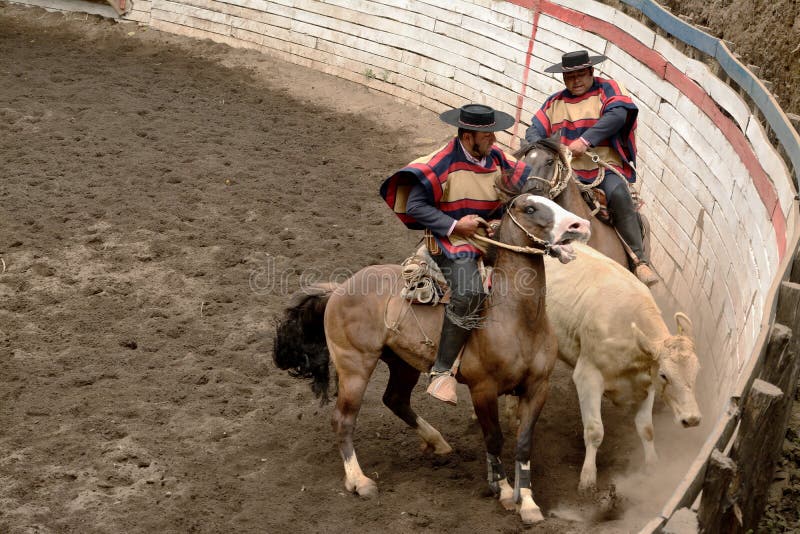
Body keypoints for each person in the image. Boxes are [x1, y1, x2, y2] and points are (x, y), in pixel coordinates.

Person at [379, 103, 532, 405]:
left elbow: (514, 198)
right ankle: (442, 372)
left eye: (493, 133)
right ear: (467, 135)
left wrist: (501, 219)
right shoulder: (440, 163)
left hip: (489, 238)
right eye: (487, 134)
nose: (494, 140)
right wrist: (455, 225)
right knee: (470, 291)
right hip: (450, 242)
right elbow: (415, 207)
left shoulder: (499, 159)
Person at [525, 50, 659, 286]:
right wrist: (548, 147)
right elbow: (533, 130)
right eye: (570, 77)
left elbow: (618, 114)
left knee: (618, 194)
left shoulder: (608, 89)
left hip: (603, 169)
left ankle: (639, 260)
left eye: (580, 75)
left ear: (591, 72)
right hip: (566, 172)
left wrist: (585, 141)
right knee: (532, 198)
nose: (576, 81)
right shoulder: (554, 102)